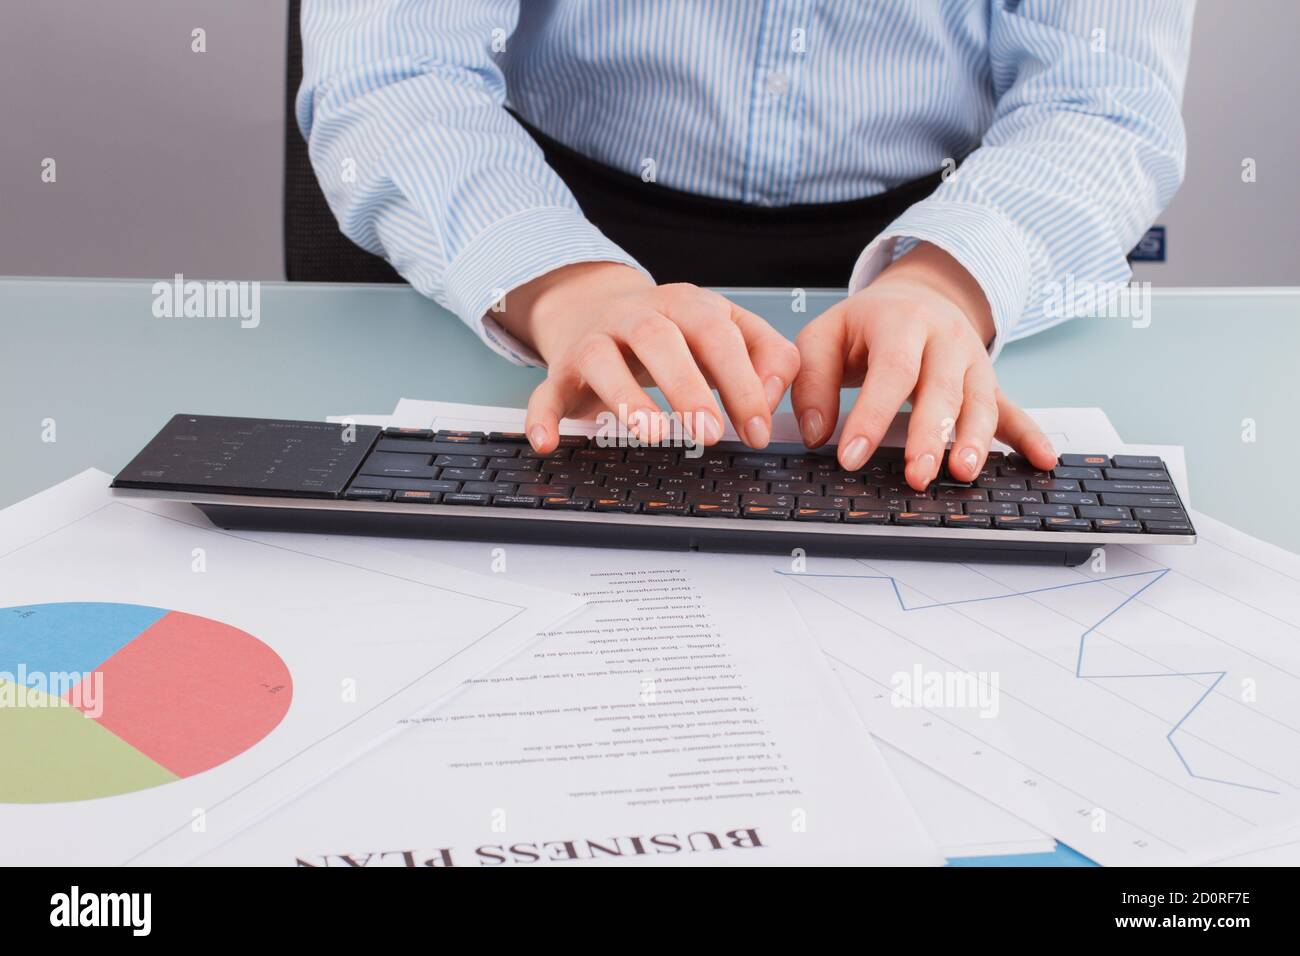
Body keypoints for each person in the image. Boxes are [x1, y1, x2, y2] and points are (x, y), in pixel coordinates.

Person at [298, 1, 1193, 491]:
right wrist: (568, 290)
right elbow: (395, 70)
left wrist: (947, 284)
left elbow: (1102, 102)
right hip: (532, 225)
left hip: (940, 241)